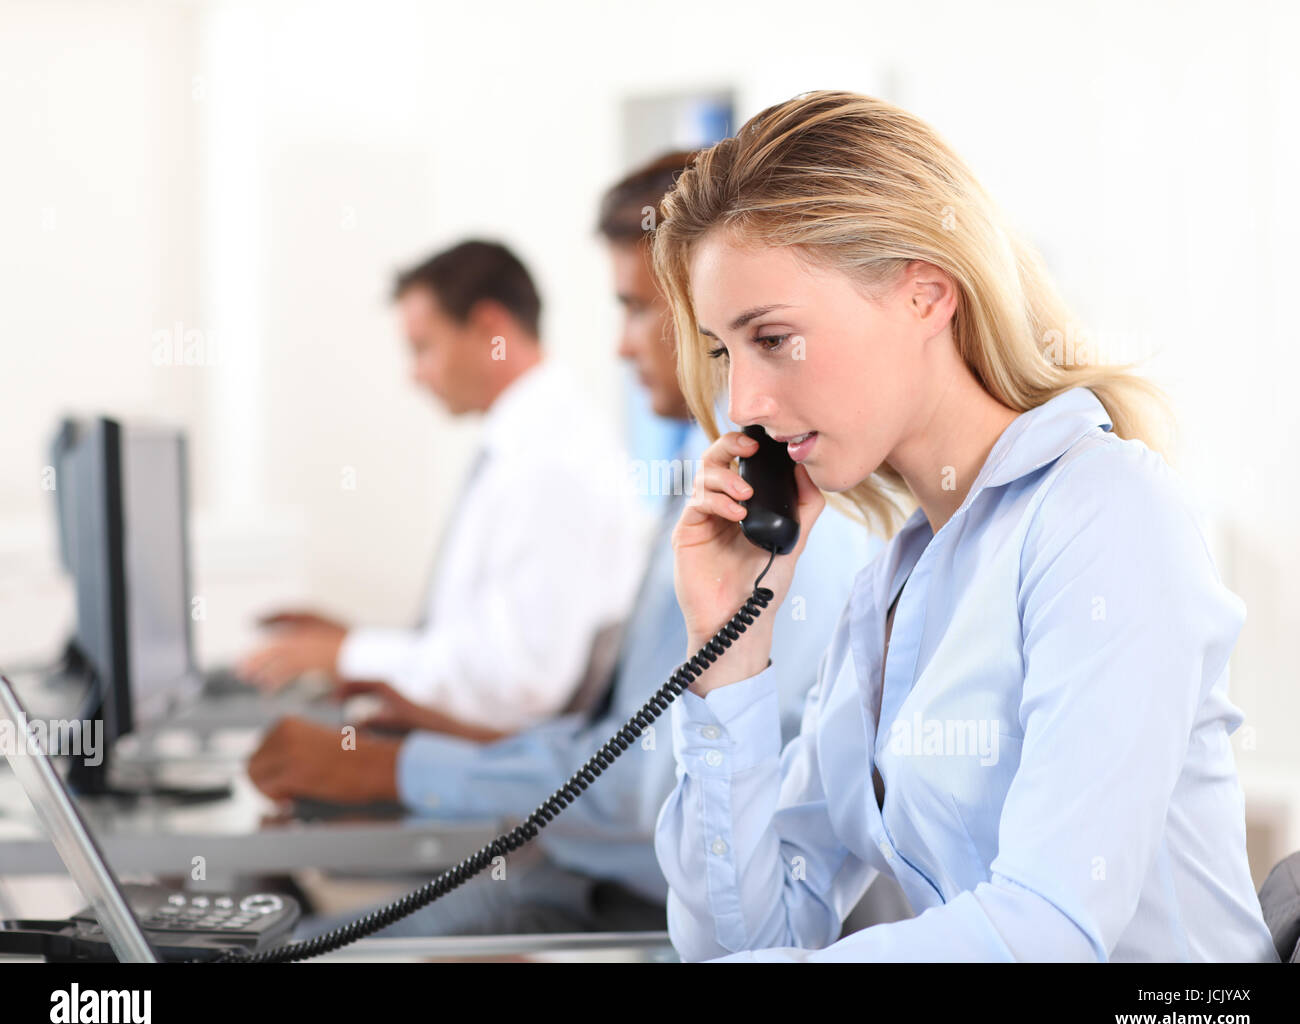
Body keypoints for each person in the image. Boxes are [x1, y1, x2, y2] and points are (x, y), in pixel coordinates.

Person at [651, 90, 1278, 962]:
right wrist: (725, 651)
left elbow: (1047, 929)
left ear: (925, 295)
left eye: (775, 338)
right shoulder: (891, 588)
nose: (745, 405)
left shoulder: (1105, 516)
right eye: (727, 351)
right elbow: (745, 940)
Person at [249, 151, 878, 937]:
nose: (620, 346)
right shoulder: (713, 474)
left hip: (644, 894)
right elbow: (625, 733)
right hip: (606, 862)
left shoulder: (793, 516)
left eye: (640, 310)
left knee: (297, 943)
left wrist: (401, 767)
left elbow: (648, 794)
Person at [236, 239, 646, 735]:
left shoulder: (549, 461)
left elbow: (522, 682)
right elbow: (484, 638)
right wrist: (353, 643)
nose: (414, 375)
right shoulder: (525, 443)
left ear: (489, 328)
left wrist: (351, 655)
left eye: (423, 348)